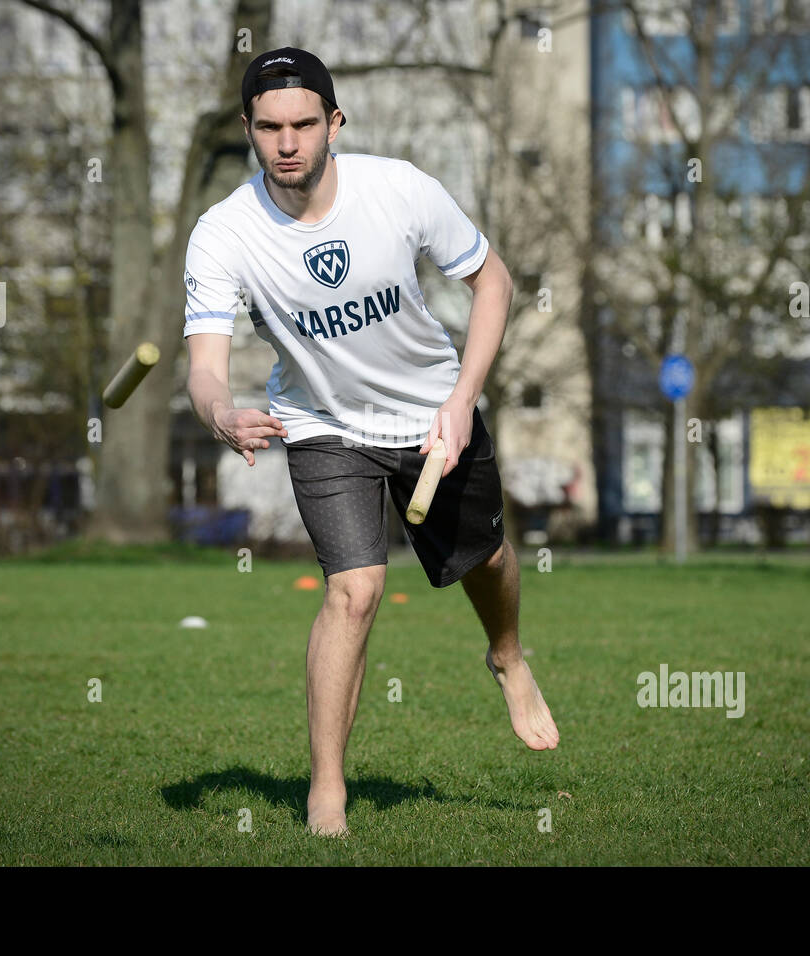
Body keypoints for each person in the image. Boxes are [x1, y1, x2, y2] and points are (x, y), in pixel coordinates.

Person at [183, 47, 559, 837]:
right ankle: (327, 793)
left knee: (484, 561)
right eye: (269, 128)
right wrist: (222, 414)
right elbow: (206, 373)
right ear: (249, 133)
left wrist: (464, 399)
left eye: (304, 124)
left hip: (432, 412)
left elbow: (493, 282)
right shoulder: (223, 234)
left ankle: (508, 657)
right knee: (354, 589)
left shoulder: (399, 188)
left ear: (334, 123)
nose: (288, 143)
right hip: (324, 424)